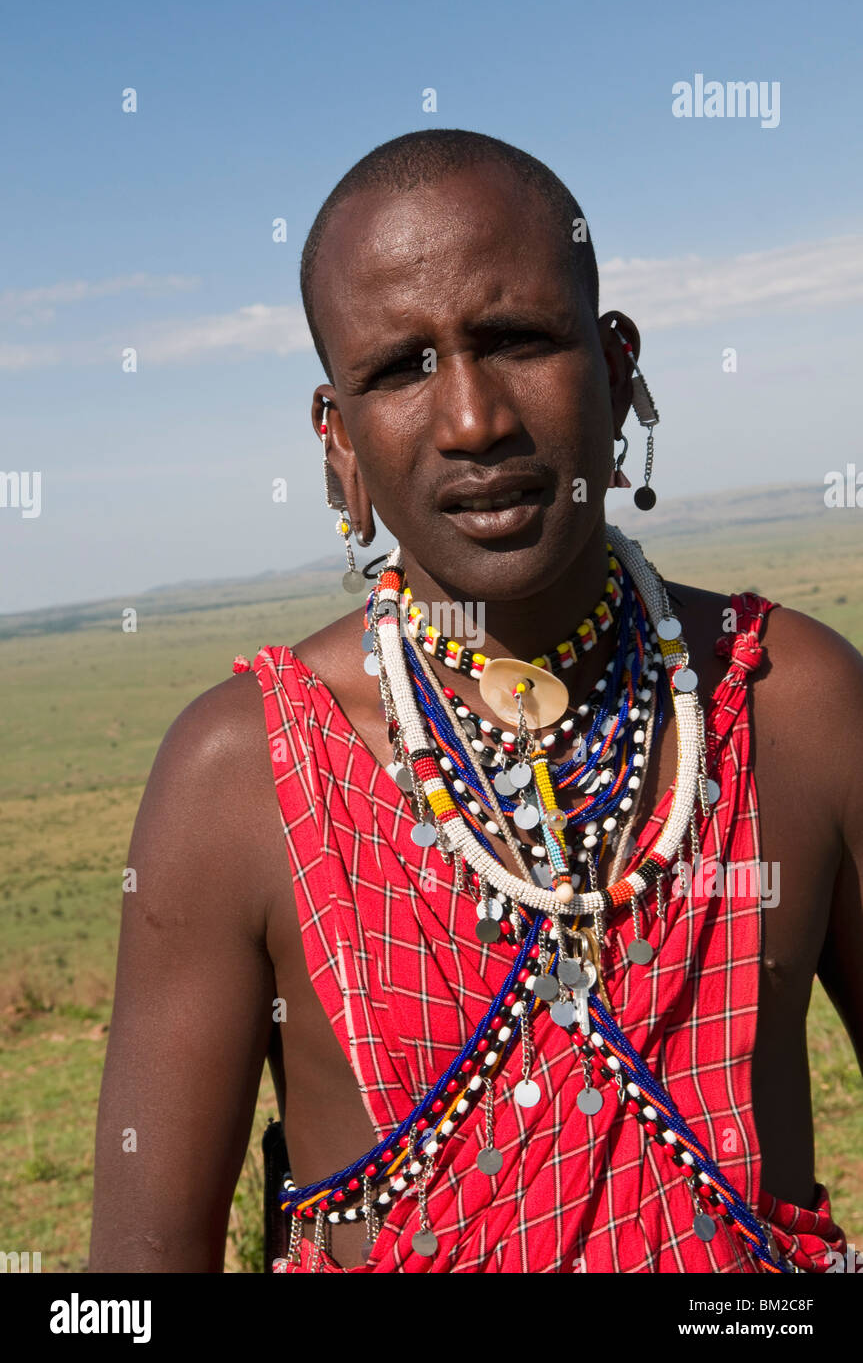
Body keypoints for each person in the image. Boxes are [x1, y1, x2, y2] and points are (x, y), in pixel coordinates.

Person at [89, 129, 862, 1274]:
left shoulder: (787, 700)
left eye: (516, 340)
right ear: (338, 442)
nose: (472, 420)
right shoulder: (243, 770)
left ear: (614, 364)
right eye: (401, 365)